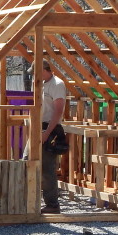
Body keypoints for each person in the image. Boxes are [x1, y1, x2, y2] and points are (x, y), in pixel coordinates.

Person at [39, 61, 67, 214]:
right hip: (39, 128)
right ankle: (26, 200)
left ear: (44, 70)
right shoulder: (40, 83)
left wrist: (47, 133)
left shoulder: (57, 84)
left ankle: (52, 204)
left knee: (47, 168)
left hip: (49, 129)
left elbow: (58, 111)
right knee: (27, 162)